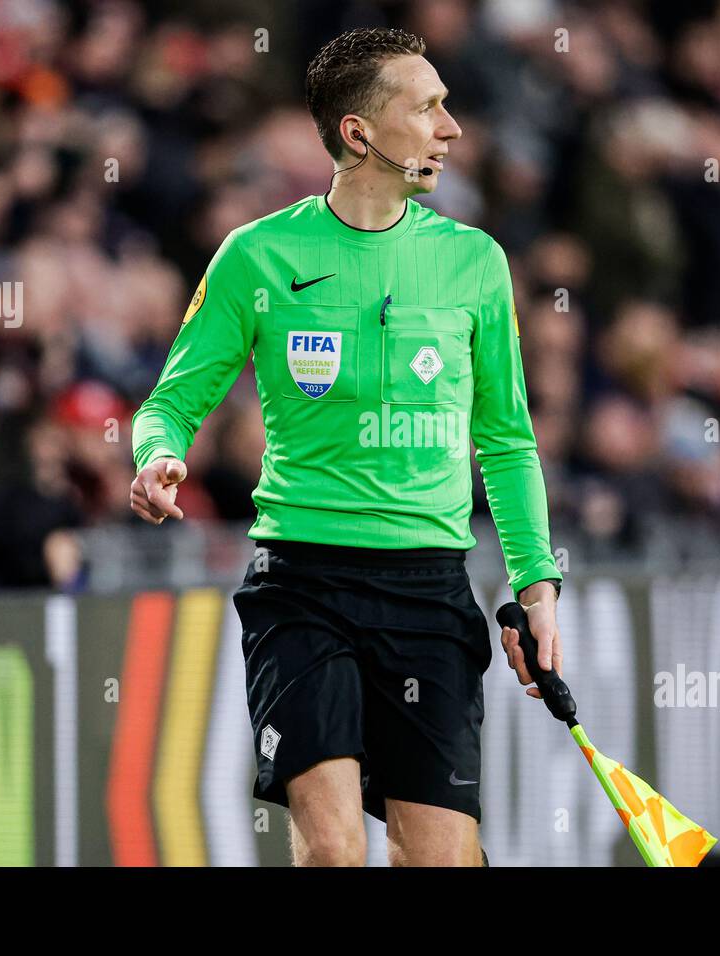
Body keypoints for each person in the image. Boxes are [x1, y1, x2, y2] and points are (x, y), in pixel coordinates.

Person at [130, 27, 562, 867]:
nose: (452, 127)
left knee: (433, 857)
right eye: (428, 107)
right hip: (302, 581)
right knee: (332, 851)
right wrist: (156, 454)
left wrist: (535, 584)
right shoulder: (257, 256)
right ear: (359, 133)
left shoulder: (474, 262)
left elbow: (506, 441)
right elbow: (172, 401)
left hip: (429, 590)